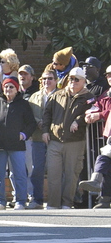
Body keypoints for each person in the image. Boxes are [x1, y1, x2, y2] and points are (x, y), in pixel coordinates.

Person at [41, 67, 92, 209]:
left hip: (75, 141)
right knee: (53, 174)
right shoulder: (57, 95)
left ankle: (67, 203)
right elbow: (47, 114)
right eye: (71, 78)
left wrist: (79, 120)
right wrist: (45, 131)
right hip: (55, 140)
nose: (73, 82)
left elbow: (93, 110)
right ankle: (52, 204)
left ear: (83, 81)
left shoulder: (89, 97)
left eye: (77, 79)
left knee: (71, 174)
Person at [0, 77, 36, 210]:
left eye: (11, 87)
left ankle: (21, 201)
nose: (8, 89)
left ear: (17, 89)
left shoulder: (23, 104)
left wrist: (24, 134)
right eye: (6, 87)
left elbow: (31, 123)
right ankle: (0, 201)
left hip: (17, 145)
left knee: (19, 174)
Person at [78, 65, 111, 208]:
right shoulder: (106, 94)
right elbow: (95, 107)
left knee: (104, 155)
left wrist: (100, 115)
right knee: (107, 164)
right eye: (108, 75)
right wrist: (90, 114)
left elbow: (107, 112)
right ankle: (105, 198)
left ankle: (96, 181)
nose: (110, 78)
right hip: (108, 135)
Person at [26, 67, 58, 209]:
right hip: (38, 139)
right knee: (37, 169)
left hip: (55, 139)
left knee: (55, 170)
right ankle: (37, 199)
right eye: (44, 79)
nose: (46, 81)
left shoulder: (61, 95)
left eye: (49, 78)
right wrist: (38, 121)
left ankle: (55, 201)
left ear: (56, 81)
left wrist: (47, 125)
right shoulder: (34, 96)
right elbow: (29, 115)